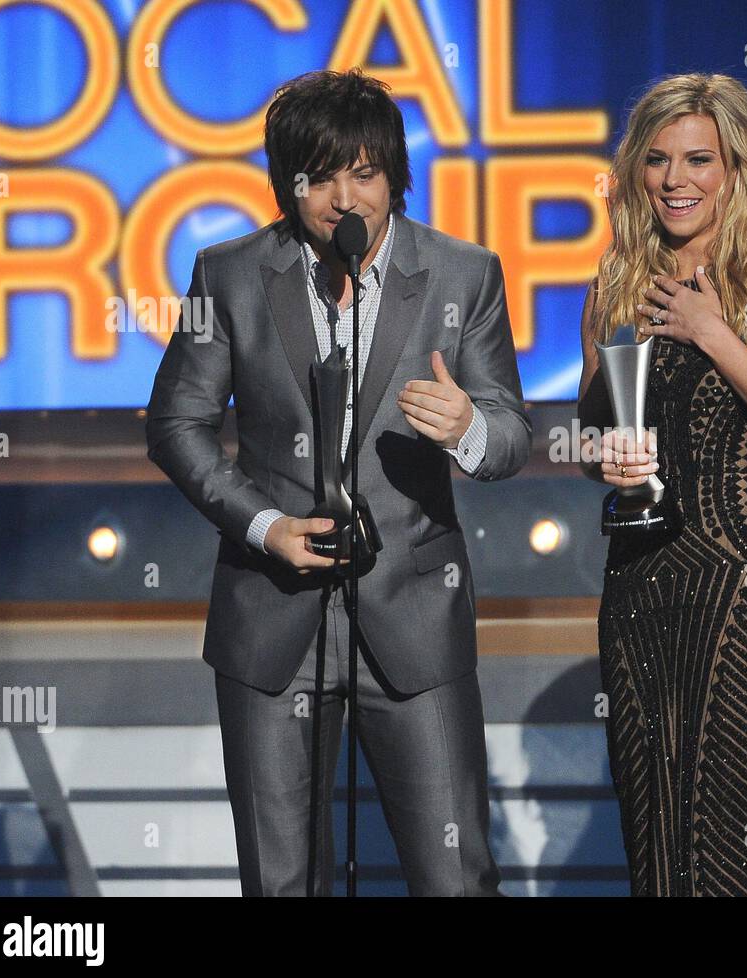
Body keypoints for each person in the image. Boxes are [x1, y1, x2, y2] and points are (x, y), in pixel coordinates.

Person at [146, 69, 530, 896]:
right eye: (318, 176)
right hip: (271, 620)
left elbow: (512, 437)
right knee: (283, 883)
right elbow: (176, 424)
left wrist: (468, 427)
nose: (343, 198)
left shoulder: (465, 275)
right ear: (288, 184)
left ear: (394, 173)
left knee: (455, 876)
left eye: (364, 172)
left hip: (415, 621)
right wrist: (262, 526)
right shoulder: (231, 273)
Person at [576, 73, 747, 896]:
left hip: (745, 589)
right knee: (655, 843)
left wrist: (712, 334)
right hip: (639, 585)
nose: (674, 179)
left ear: (738, 169)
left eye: (698, 159)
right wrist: (604, 458)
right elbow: (595, 432)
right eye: (656, 160)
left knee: (736, 847)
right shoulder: (614, 284)